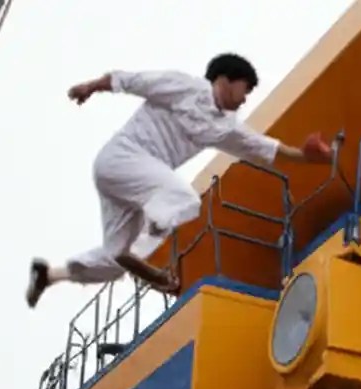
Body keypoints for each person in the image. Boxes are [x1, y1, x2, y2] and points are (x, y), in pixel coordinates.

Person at [24, 52, 334, 308]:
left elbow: (264, 147)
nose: (245, 100)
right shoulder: (184, 86)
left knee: (114, 260)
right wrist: (90, 87)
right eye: (245, 90)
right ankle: (147, 245)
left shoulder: (226, 128)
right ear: (225, 81)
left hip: (136, 185)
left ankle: (50, 274)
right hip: (123, 158)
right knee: (183, 199)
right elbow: (132, 81)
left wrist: (306, 156)